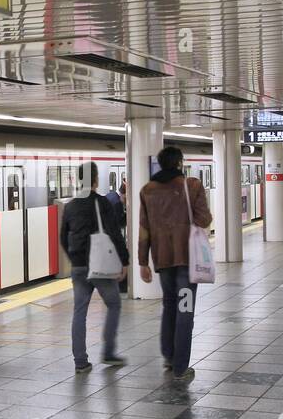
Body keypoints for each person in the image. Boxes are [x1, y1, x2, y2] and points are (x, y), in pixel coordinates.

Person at [138, 146, 212, 384]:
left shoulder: (147, 190)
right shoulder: (191, 186)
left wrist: (142, 262)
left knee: (169, 306)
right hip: (187, 261)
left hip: (162, 261)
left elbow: (143, 229)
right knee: (185, 310)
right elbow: (204, 218)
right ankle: (181, 366)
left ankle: (169, 357)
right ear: (180, 163)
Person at [59, 162, 130, 374]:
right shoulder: (102, 203)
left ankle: (80, 361)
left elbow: (63, 236)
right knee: (114, 304)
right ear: (96, 179)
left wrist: (73, 257)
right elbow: (115, 234)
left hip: (79, 265)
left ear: (79, 180)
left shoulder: (70, 205)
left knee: (79, 312)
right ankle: (108, 352)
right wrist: (124, 261)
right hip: (99, 265)